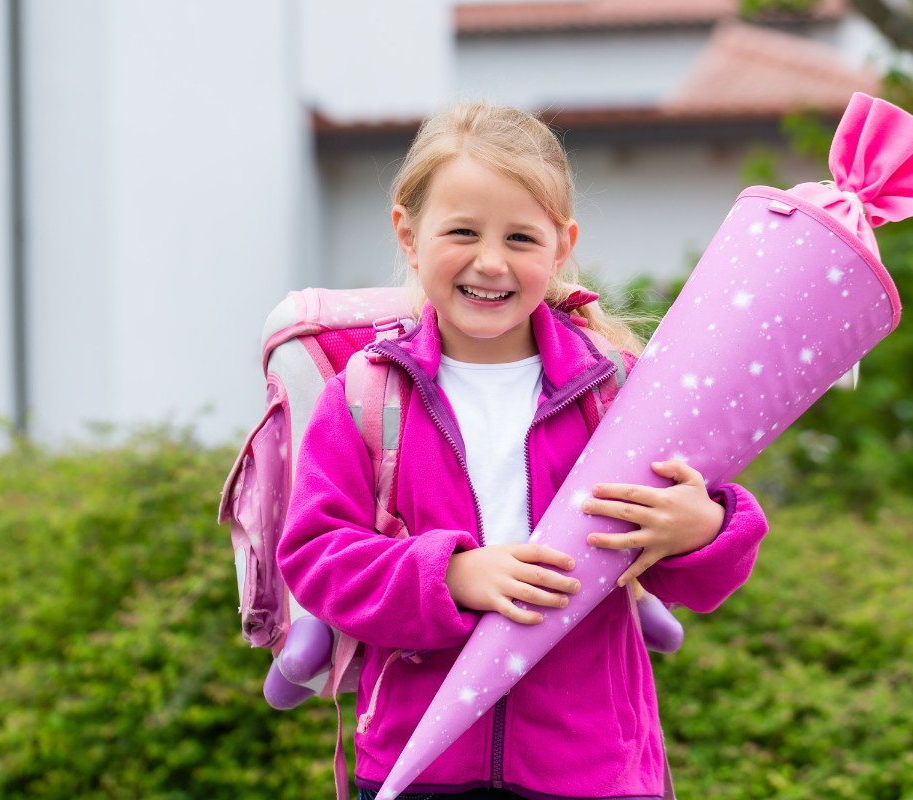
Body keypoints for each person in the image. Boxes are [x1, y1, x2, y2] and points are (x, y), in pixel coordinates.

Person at [277, 102, 769, 800]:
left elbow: (697, 579)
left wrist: (704, 529)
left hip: (594, 772)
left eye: (520, 238)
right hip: (417, 768)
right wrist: (452, 576)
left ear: (561, 246)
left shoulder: (617, 391)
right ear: (408, 235)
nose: (490, 261)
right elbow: (317, 558)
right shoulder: (366, 395)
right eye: (463, 231)